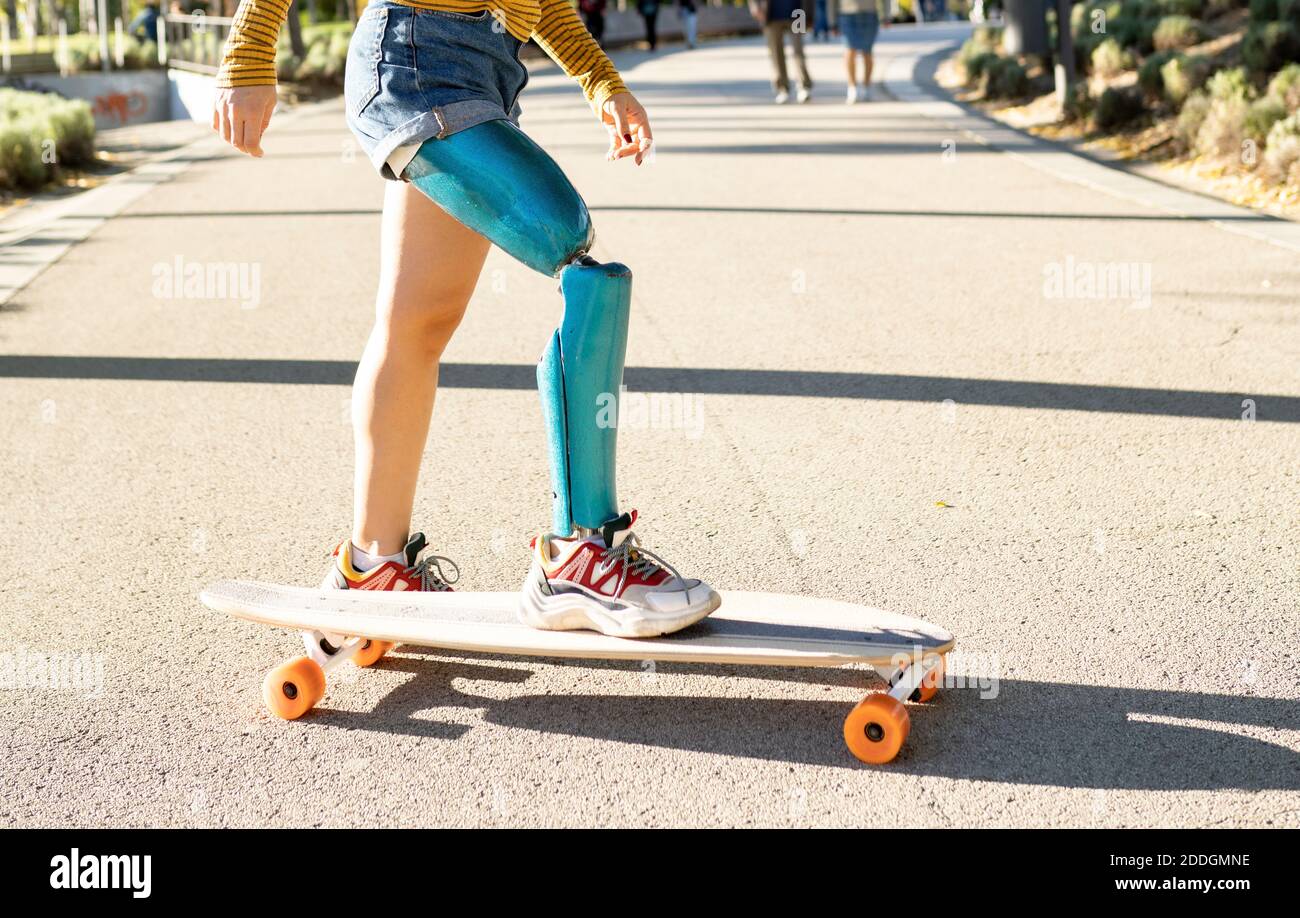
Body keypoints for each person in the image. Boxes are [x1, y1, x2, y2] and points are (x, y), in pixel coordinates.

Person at [212, 1, 721, 641]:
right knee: (587, 267)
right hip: (415, 59)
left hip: (485, 70)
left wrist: (603, 82)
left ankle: (375, 564)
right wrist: (250, 54)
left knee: (416, 324)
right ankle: (579, 554)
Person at [836, 0, 888, 103]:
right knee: (850, 50)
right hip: (847, 13)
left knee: (867, 52)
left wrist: (885, 15)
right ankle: (852, 88)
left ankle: (866, 87)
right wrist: (831, 21)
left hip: (869, 13)